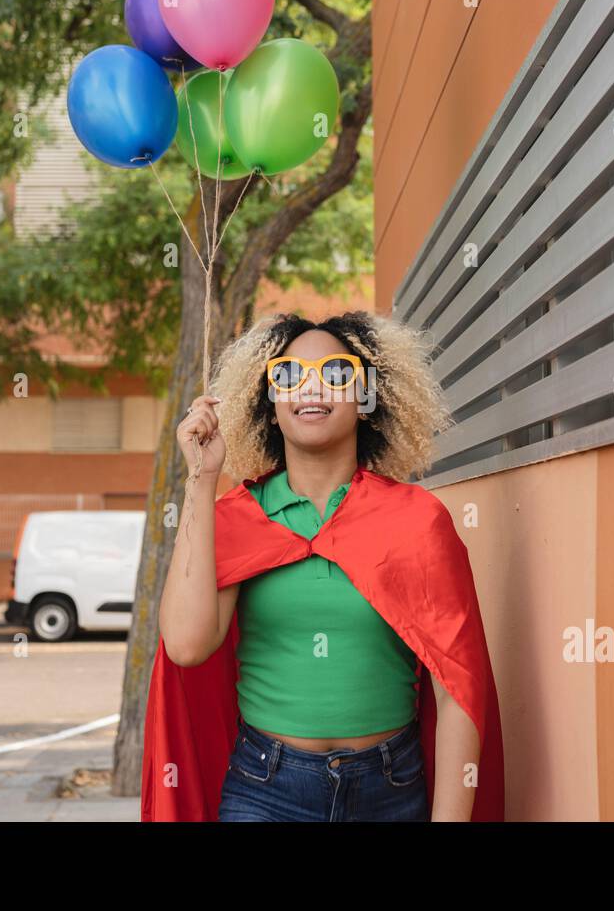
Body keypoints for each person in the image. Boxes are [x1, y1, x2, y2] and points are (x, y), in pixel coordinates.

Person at [145, 310, 504, 822]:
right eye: (288, 376)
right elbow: (186, 645)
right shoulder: (234, 519)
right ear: (270, 404)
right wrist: (202, 479)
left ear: (366, 398)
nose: (311, 388)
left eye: (336, 374)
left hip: (391, 790)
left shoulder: (416, 520)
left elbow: (457, 689)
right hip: (264, 789)